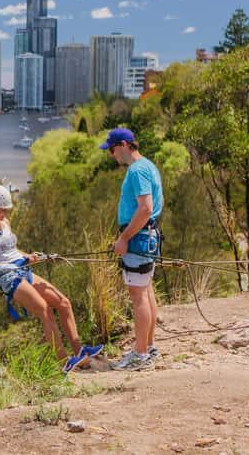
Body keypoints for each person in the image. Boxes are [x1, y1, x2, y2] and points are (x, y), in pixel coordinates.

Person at [0, 184, 103, 373]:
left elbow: (12, 251)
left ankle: (80, 351)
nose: (6, 211)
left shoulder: (5, 223)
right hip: (7, 276)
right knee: (44, 310)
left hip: (22, 268)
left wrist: (28, 256)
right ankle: (63, 361)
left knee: (63, 303)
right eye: (3, 208)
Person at [101, 128, 164, 371]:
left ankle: (140, 355)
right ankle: (147, 347)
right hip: (147, 235)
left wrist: (124, 238)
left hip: (137, 237)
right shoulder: (149, 165)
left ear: (125, 145)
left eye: (113, 149)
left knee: (138, 297)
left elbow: (146, 208)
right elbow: (159, 203)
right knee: (146, 291)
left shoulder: (137, 170)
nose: (112, 155)